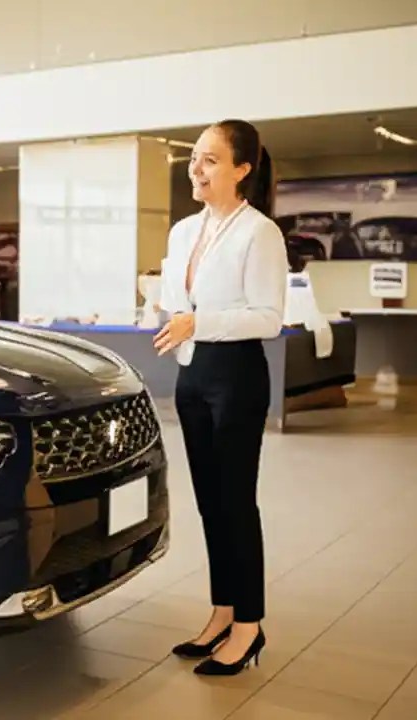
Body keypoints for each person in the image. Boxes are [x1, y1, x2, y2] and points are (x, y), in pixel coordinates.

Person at [154, 118, 287, 676]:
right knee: (210, 504)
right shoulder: (184, 230)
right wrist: (170, 311)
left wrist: (199, 322)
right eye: (194, 158)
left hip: (236, 378)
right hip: (192, 376)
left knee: (236, 503)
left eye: (210, 159)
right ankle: (223, 612)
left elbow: (269, 318)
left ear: (242, 169)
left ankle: (249, 626)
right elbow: (175, 300)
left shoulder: (259, 232)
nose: (197, 168)